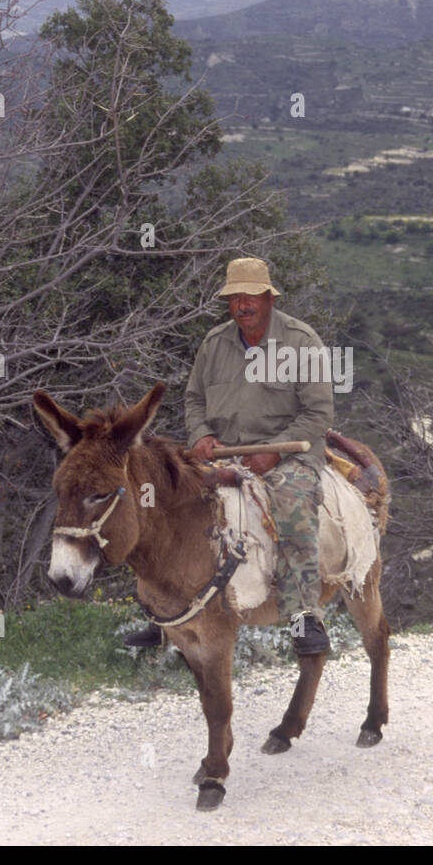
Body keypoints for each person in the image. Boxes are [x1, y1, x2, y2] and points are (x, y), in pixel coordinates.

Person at [123, 256, 334, 655]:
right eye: (235, 297)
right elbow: (194, 399)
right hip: (222, 453)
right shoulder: (214, 342)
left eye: (251, 295)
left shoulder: (301, 341)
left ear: (269, 297)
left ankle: (304, 614)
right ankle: (159, 610)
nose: (243, 304)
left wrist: (273, 453)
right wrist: (201, 435)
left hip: (288, 454)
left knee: (292, 505)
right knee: (160, 498)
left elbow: (319, 414)